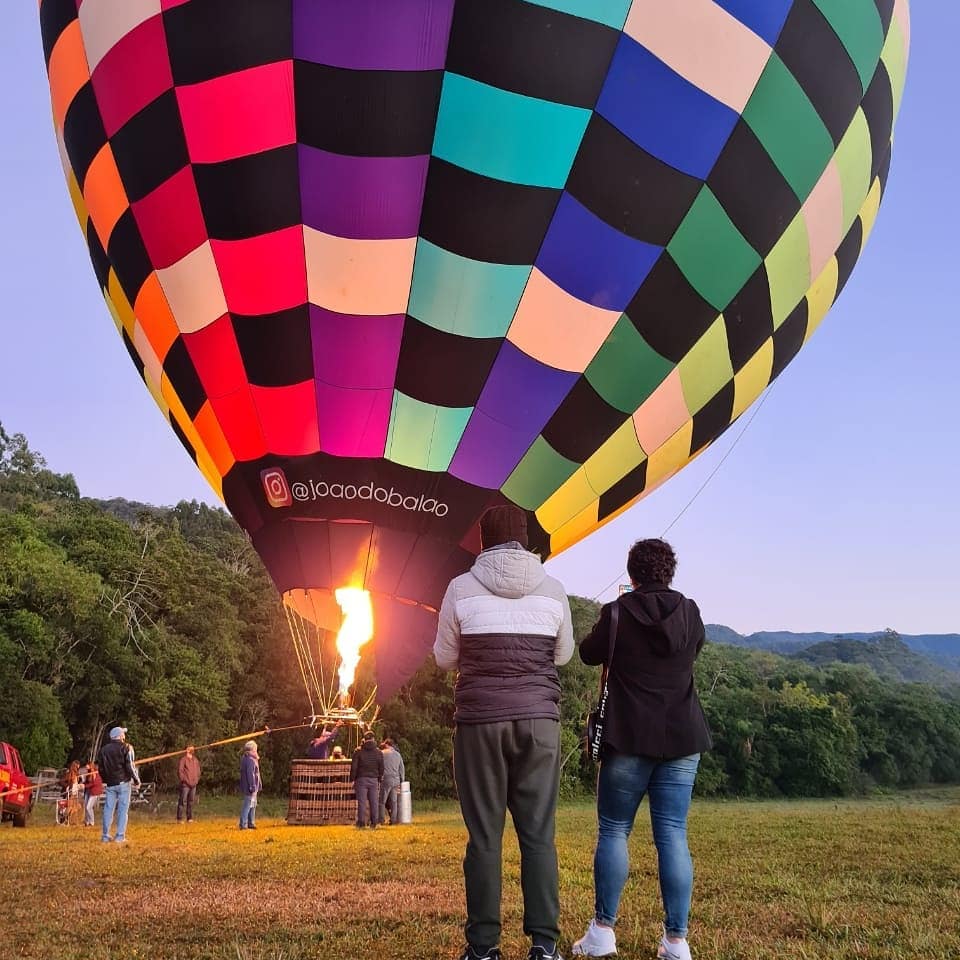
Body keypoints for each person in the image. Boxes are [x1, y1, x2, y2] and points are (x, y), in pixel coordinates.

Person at [434, 504, 574, 960]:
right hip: (539, 722)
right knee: (538, 835)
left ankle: (483, 946)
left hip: (479, 722)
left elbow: (444, 657)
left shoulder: (460, 588)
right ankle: (544, 944)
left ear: (483, 541)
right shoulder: (553, 589)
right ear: (527, 541)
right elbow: (564, 654)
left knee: (485, 837)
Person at [571, 539, 712, 960]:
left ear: (631, 574)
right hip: (683, 738)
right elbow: (692, 650)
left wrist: (617, 616)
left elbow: (587, 653)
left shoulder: (617, 613)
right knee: (673, 834)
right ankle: (676, 941)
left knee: (614, 830)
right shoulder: (690, 612)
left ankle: (602, 933)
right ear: (670, 572)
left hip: (628, 737)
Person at [97, 726, 140, 843]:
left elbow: (100, 769)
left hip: (110, 784)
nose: (124, 736)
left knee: (108, 809)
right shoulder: (127, 748)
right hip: (123, 784)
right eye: (123, 734)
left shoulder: (103, 750)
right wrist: (136, 780)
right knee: (122, 810)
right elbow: (130, 766)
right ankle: (120, 836)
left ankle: (105, 836)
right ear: (120, 736)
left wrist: (106, 780)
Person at [350, 730, 384, 828]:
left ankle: (361, 823)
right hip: (374, 779)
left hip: (361, 779)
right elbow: (381, 767)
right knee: (374, 802)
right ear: (373, 739)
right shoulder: (378, 752)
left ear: (364, 739)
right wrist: (379, 778)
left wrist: (352, 779)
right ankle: (374, 822)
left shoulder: (358, 751)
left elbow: (354, 767)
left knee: (362, 802)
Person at [379, 738, 405, 825]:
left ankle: (381, 820)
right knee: (394, 802)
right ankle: (393, 820)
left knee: (382, 801)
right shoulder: (398, 754)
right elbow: (402, 769)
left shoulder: (382, 753)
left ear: (386, 744)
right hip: (396, 780)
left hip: (386, 779)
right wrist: (402, 781)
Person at [239, 740, 261, 829]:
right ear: (252, 750)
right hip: (250, 786)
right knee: (247, 805)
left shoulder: (246, 758)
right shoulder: (250, 760)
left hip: (250, 786)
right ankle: (243, 824)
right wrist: (253, 786)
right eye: (255, 749)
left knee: (253, 805)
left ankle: (251, 823)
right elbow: (250, 774)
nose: (256, 751)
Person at [177, 744, 201, 823]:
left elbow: (198, 770)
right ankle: (179, 818)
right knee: (182, 801)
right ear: (187, 749)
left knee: (191, 801)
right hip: (185, 784)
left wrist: (197, 779)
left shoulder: (195, 760)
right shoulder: (183, 760)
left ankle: (189, 818)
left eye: (193, 748)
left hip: (194, 784)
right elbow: (180, 771)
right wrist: (184, 780)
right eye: (191, 748)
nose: (192, 749)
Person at [83, 761, 103, 827]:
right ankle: (87, 821)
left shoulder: (95, 773)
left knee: (89, 807)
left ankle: (92, 822)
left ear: (90, 765)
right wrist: (82, 784)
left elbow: (94, 783)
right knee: (86, 807)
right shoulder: (88, 773)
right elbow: (87, 782)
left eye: (87, 765)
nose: (86, 766)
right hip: (88, 791)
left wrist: (84, 786)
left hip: (94, 792)